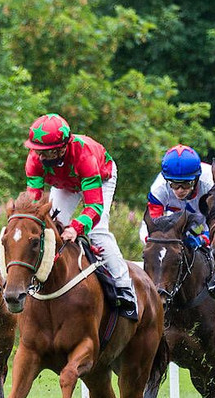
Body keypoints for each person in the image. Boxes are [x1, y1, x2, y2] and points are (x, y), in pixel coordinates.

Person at [24, 113, 137, 318]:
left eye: (45, 153)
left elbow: (94, 207)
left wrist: (76, 228)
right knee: (52, 226)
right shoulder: (35, 159)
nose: (39, 157)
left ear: (61, 149)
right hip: (65, 183)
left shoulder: (84, 156)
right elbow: (34, 203)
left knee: (97, 231)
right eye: (37, 151)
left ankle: (124, 287)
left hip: (100, 176)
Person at [141, 144, 214, 247]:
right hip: (175, 224)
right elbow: (150, 226)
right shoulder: (159, 188)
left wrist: (203, 239)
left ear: (196, 179)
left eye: (186, 184)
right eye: (174, 184)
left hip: (207, 221)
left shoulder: (211, 183)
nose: (180, 190)